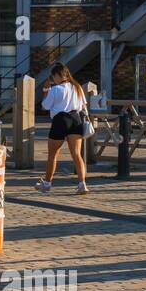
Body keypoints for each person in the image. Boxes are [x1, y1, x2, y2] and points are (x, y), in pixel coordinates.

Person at [34, 63, 90, 195]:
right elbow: (83, 106)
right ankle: (82, 184)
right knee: (77, 155)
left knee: (53, 155)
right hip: (76, 119)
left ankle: (47, 184)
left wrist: (45, 91)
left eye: (53, 76)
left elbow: (45, 106)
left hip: (60, 120)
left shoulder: (55, 89)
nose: (53, 79)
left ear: (58, 75)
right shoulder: (78, 88)